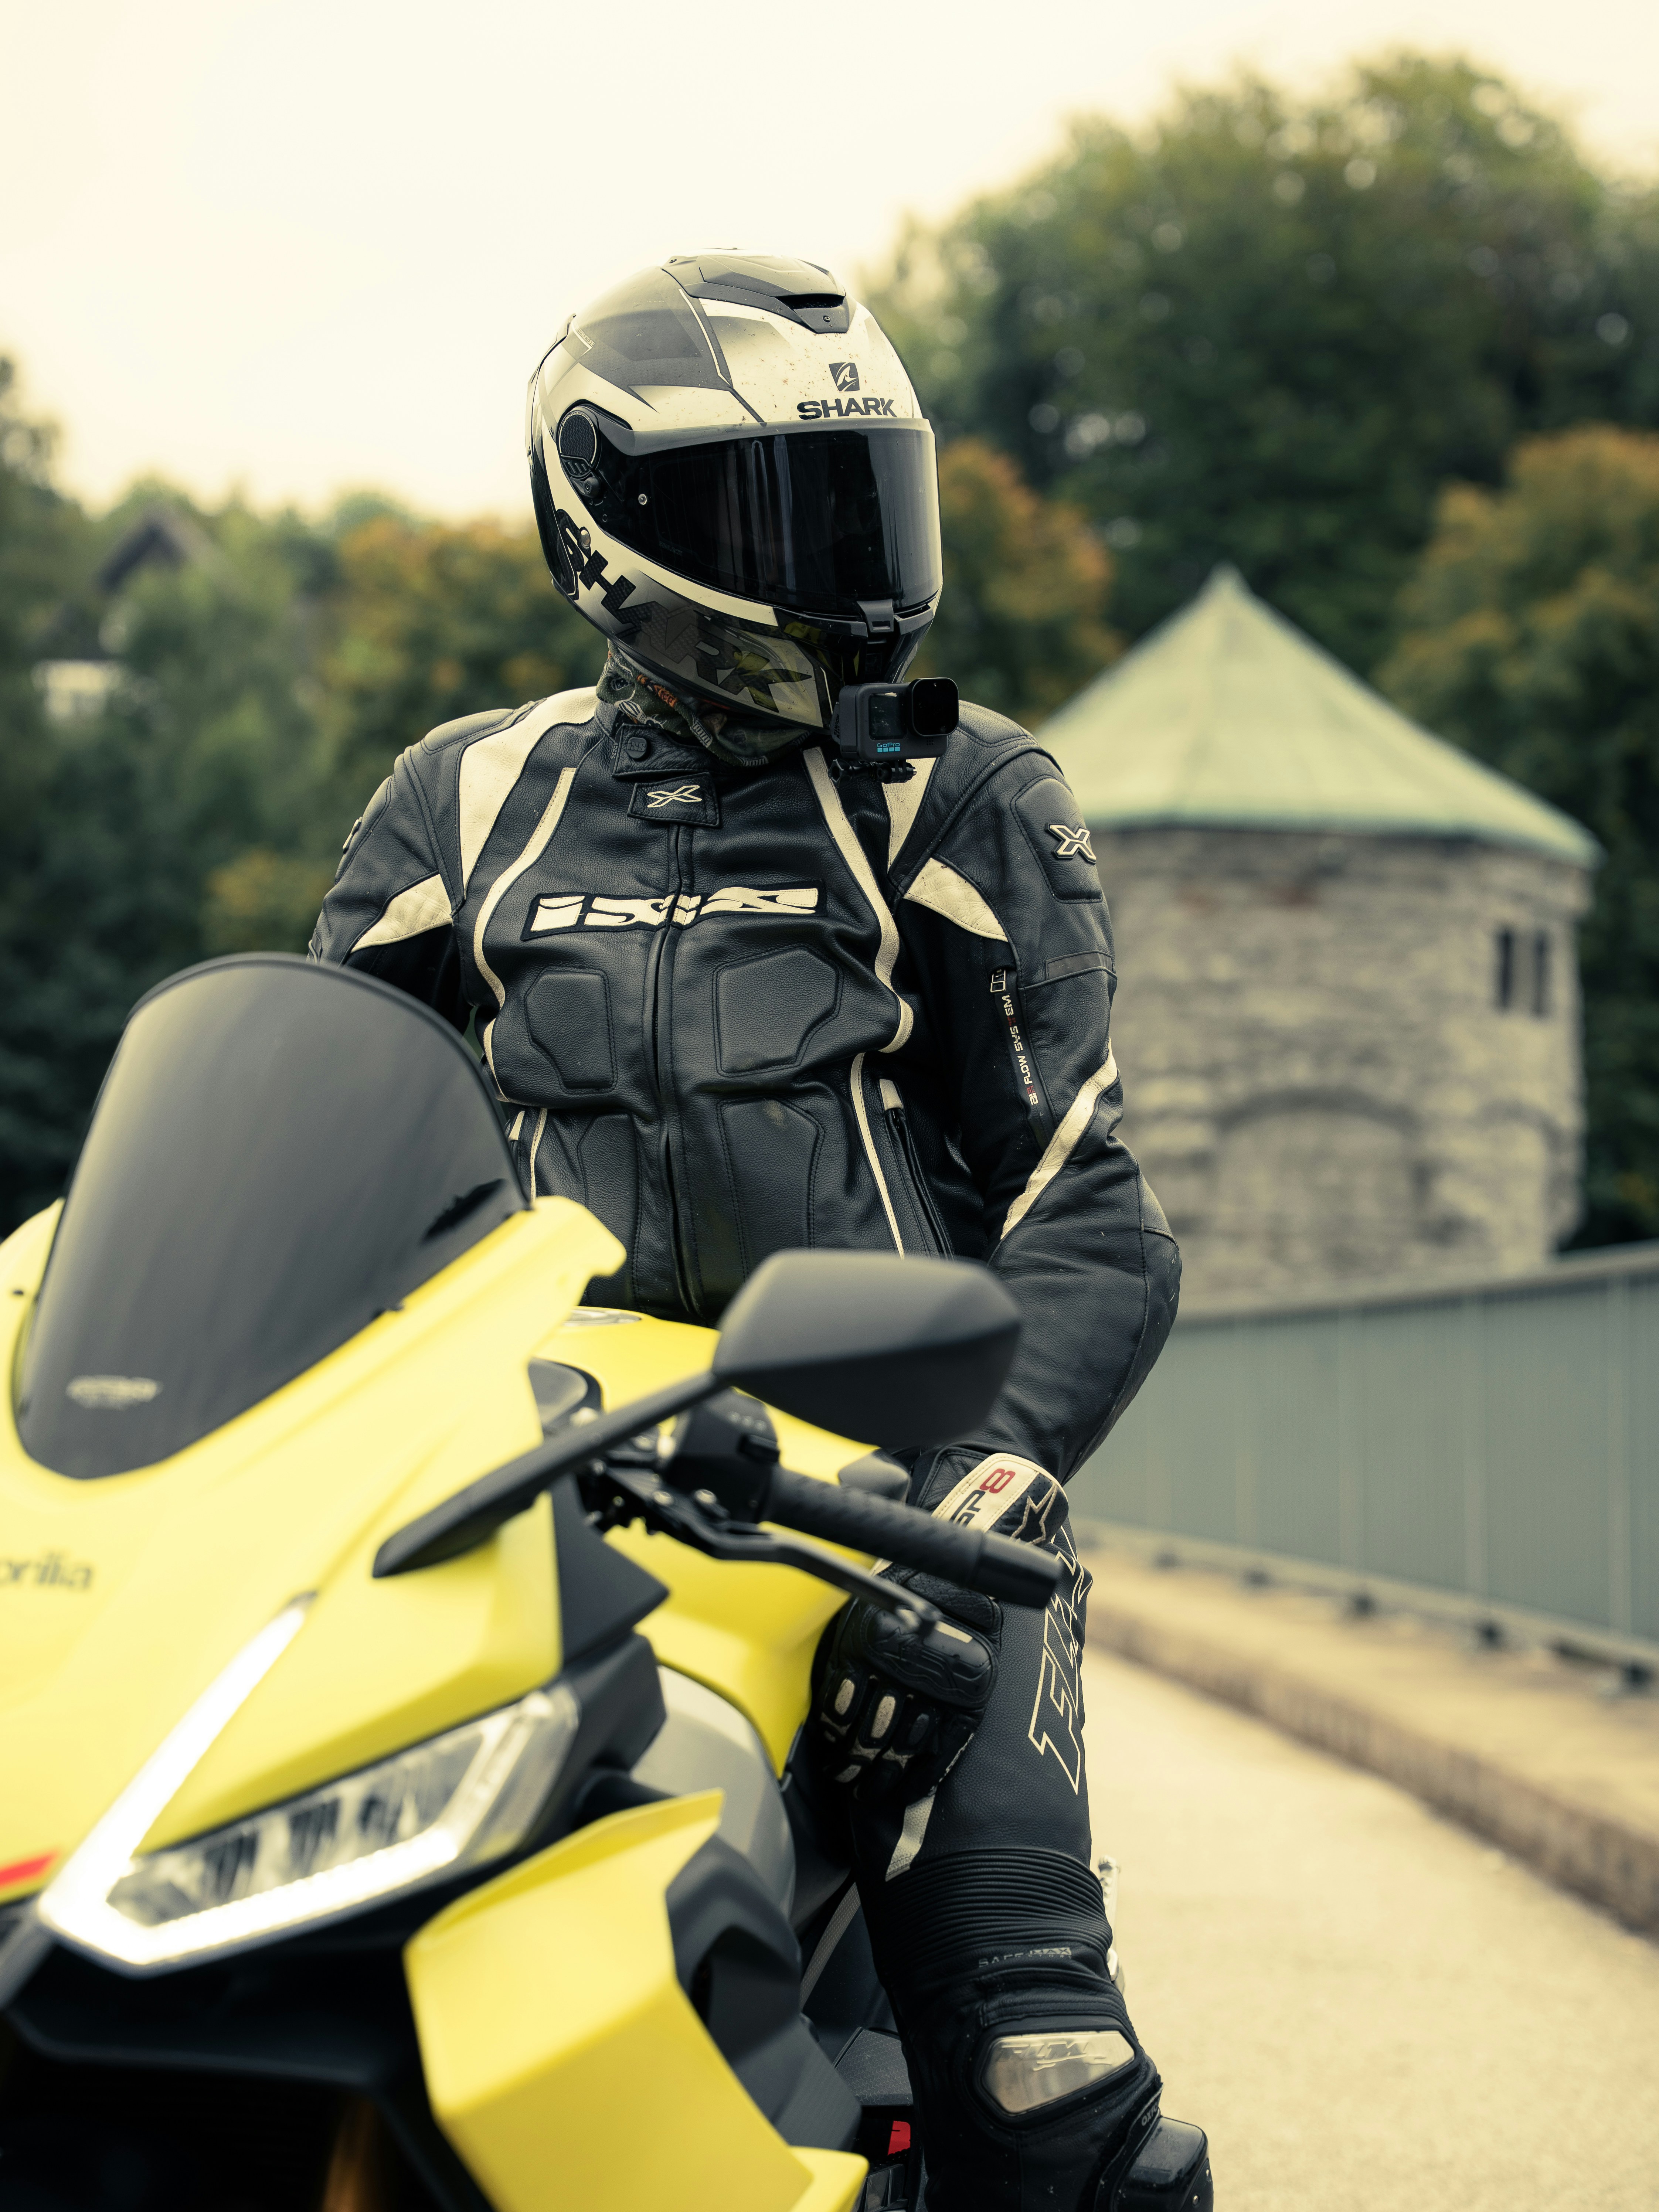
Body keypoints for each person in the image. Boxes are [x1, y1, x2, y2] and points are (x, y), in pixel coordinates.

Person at [310, 252, 1204, 2212]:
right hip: (545, 1499)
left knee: (1042, 2076)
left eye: (860, 491)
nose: (841, 563)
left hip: (903, 1514)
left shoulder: (956, 791)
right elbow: (313, 1135)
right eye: (771, 508)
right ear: (608, 524)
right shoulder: (468, 802)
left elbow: (1088, 1206)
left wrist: (989, 1470)